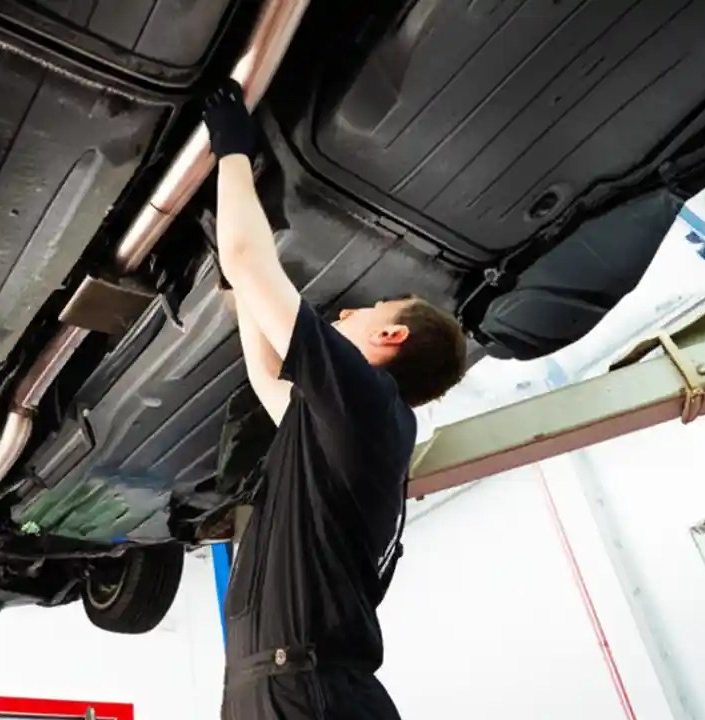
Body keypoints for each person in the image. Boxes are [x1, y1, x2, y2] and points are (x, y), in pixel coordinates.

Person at [203, 80, 468, 720]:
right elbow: (271, 371)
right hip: (301, 691)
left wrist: (233, 155)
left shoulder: (368, 407)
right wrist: (241, 265)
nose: (347, 311)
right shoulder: (364, 417)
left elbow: (254, 297)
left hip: (294, 690)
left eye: (367, 310)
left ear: (390, 336)